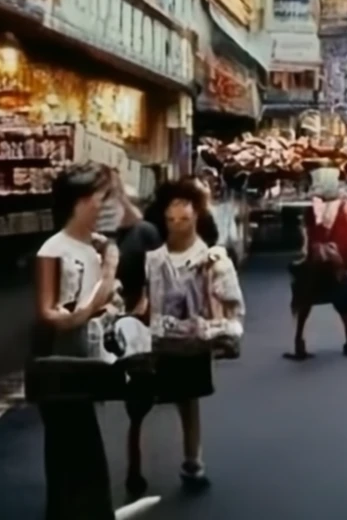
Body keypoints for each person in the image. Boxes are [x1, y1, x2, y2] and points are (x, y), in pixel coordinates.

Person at [127, 179, 244, 495]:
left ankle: (193, 461)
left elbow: (225, 299)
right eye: (171, 218)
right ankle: (134, 467)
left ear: (196, 218)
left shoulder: (209, 256)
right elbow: (140, 295)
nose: (178, 223)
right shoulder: (151, 256)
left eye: (185, 217)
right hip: (156, 338)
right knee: (138, 404)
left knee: (188, 401)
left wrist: (223, 329)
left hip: (192, 338)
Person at [33, 164, 119, 520]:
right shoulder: (54, 249)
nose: (106, 206)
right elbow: (49, 312)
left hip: (83, 358)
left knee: (81, 447)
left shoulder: (92, 246)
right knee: (72, 447)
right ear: (81, 203)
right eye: (102, 199)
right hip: (60, 362)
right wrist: (89, 308)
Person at [286, 167, 347, 361]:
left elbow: (307, 233)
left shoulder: (312, 207)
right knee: (344, 305)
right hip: (334, 265)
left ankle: (299, 344)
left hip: (315, 263)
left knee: (304, 303)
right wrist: (343, 258)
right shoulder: (343, 206)